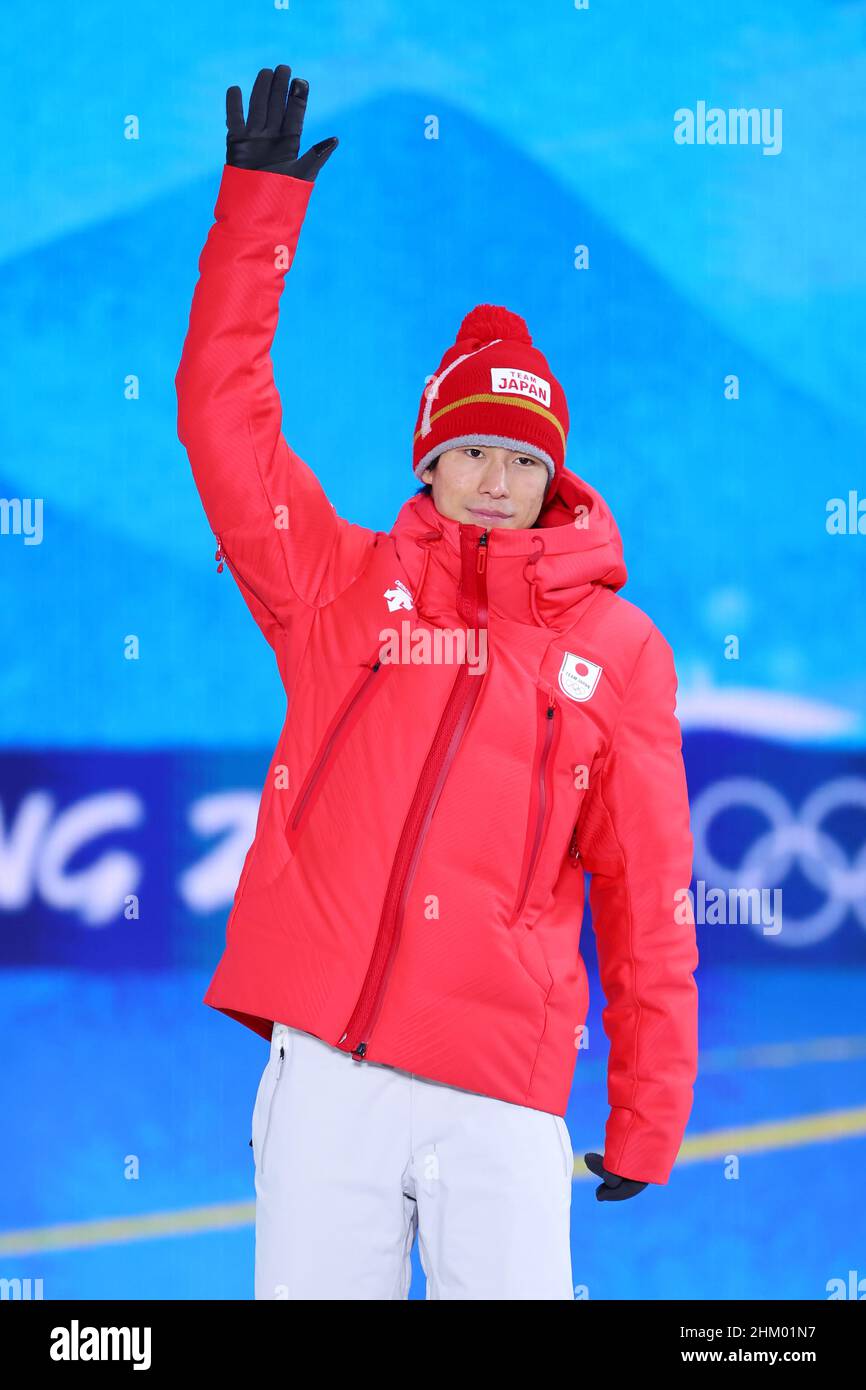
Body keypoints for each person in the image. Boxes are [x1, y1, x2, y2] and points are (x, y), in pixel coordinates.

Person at [175, 64, 699, 1301]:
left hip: (503, 1096)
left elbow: (646, 894)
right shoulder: (337, 591)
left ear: (552, 478)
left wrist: (647, 1107)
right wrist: (258, 214)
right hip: (328, 1084)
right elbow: (220, 420)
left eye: (518, 457)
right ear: (428, 456)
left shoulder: (618, 653)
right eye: (466, 448)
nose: (490, 477)